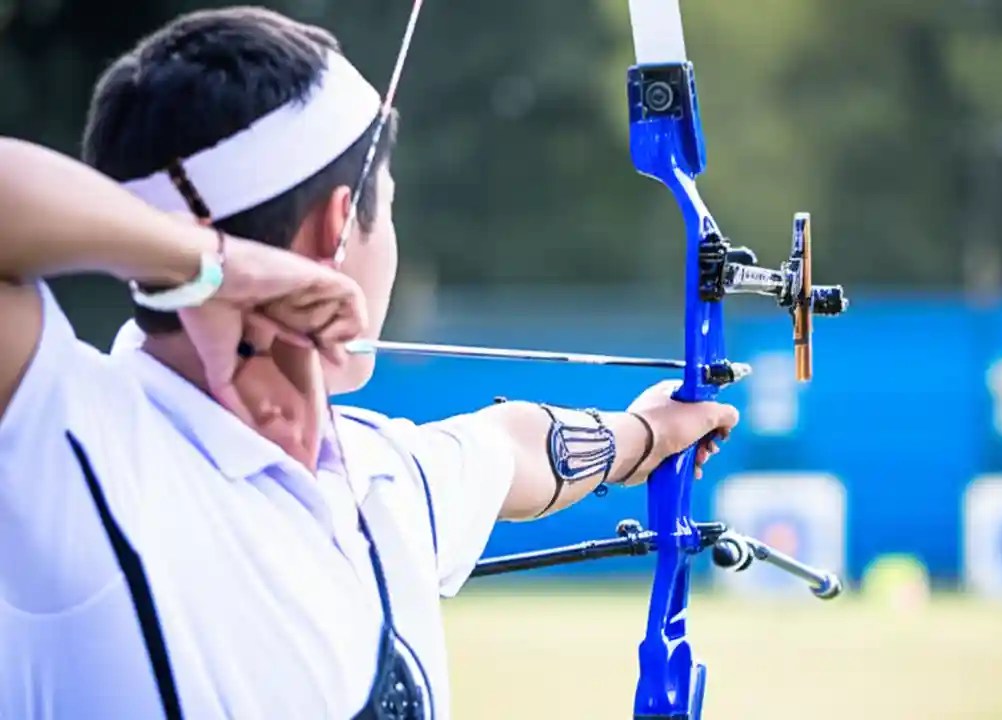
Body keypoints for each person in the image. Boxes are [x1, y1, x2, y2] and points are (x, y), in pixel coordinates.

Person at [0, 7, 739, 720]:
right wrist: (220, 269)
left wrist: (648, 434)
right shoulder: (66, 452)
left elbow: (512, 449)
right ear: (338, 223)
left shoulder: (374, 476)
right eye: (387, 208)